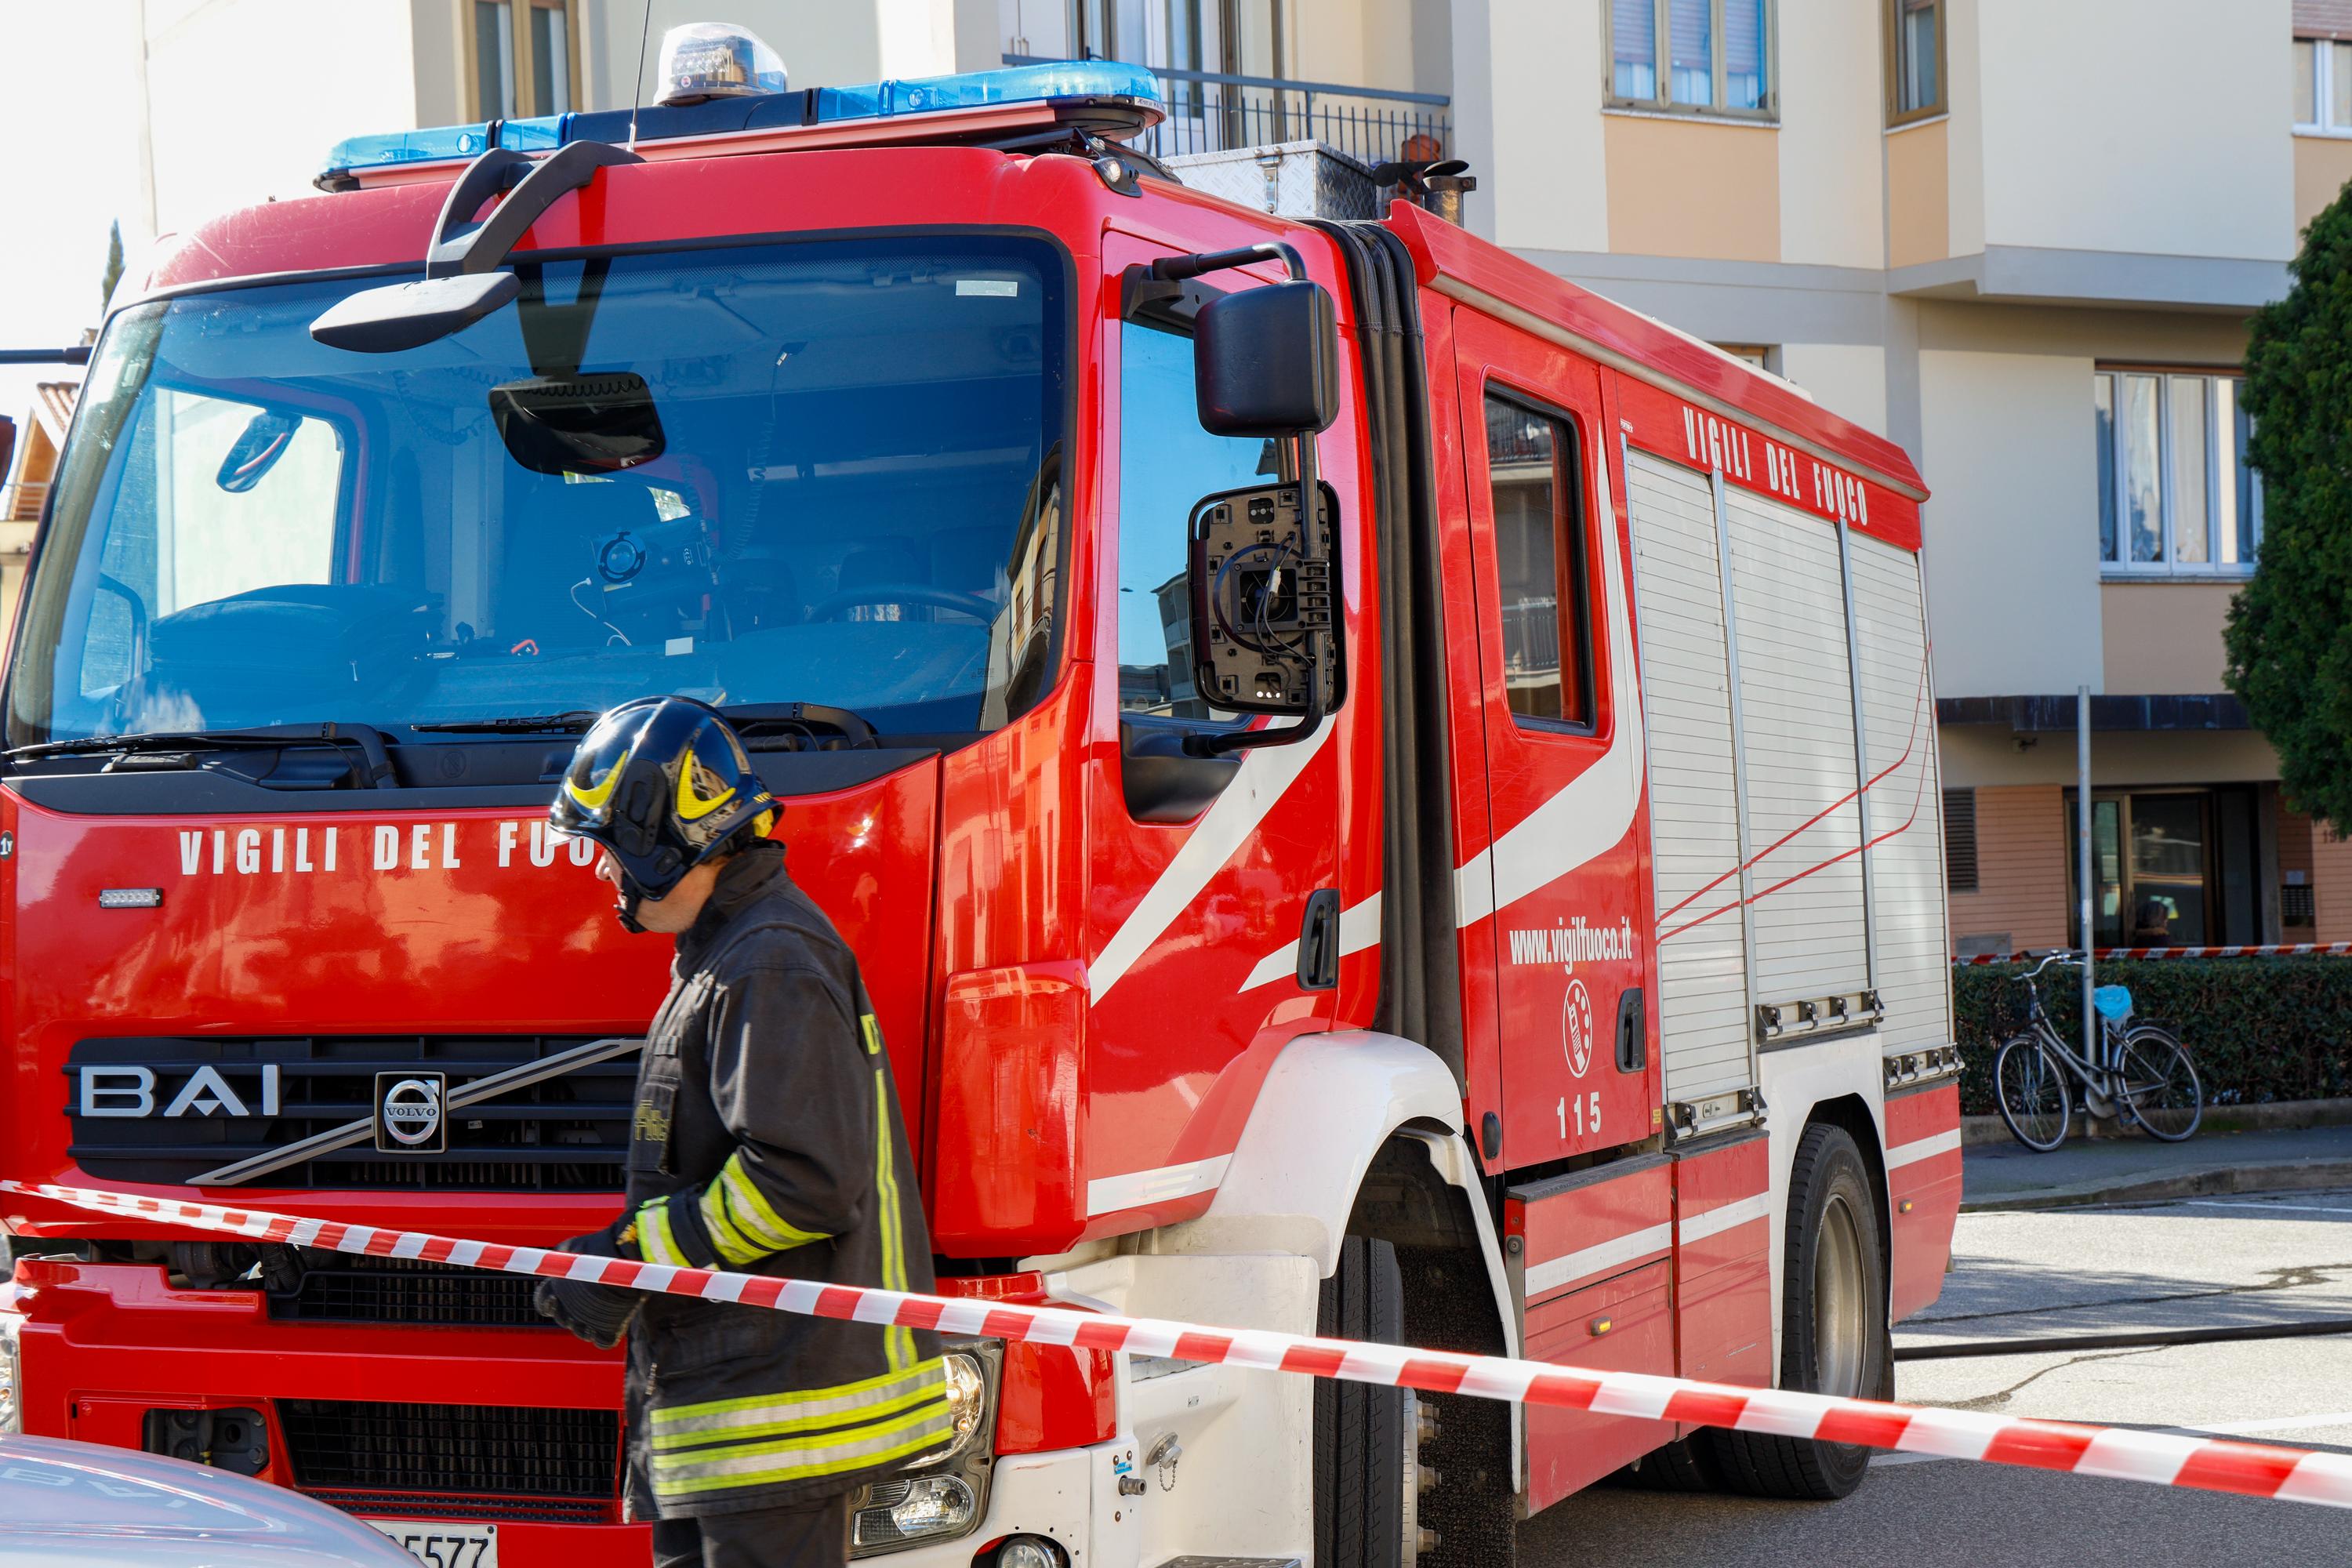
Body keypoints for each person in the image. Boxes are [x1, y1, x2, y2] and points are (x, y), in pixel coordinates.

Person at [533, 695, 948, 1568]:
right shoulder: (733, 954)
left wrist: (628, 1258)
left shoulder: (768, 962)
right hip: (736, 1410)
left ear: (666, 841)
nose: (604, 874)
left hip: (772, 1410)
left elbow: (803, 1180)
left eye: (610, 847)